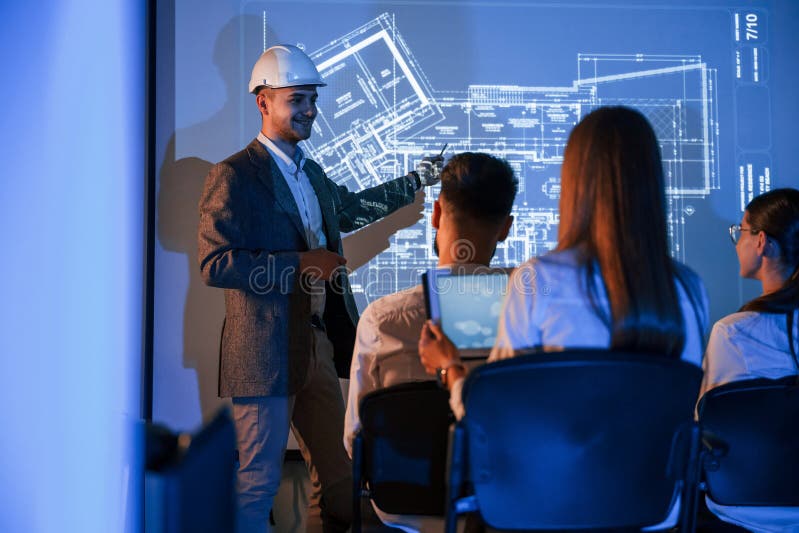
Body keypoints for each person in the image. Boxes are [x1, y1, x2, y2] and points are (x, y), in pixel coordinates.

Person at [418, 106, 709, 528]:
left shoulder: (536, 280)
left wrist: (449, 369)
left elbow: (493, 422)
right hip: (653, 510)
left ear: (574, 184)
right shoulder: (687, 288)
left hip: (547, 507)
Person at [198, 44, 443, 533]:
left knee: (337, 479)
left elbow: (350, 210)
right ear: (263, 102)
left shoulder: (310, 172)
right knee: (257, 482)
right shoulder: (233, 175)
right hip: (263, 352)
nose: (310, 109)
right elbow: (215, 263)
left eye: (312, 98)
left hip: (317, 344)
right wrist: (300, 264)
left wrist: (417, 179)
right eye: (297, 99)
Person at [343, 152, 517, 532]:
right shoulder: (528, 314)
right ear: (506, 228)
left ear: (436, 213)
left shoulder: (381, 319)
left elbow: (355, 442)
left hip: (405, 506)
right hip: (502, 504)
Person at [698, 188, 799, 533]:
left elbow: (706, 428)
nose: (736, 242)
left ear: (762, 243)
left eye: (740, 232)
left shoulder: (733, 334)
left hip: (744, 514)